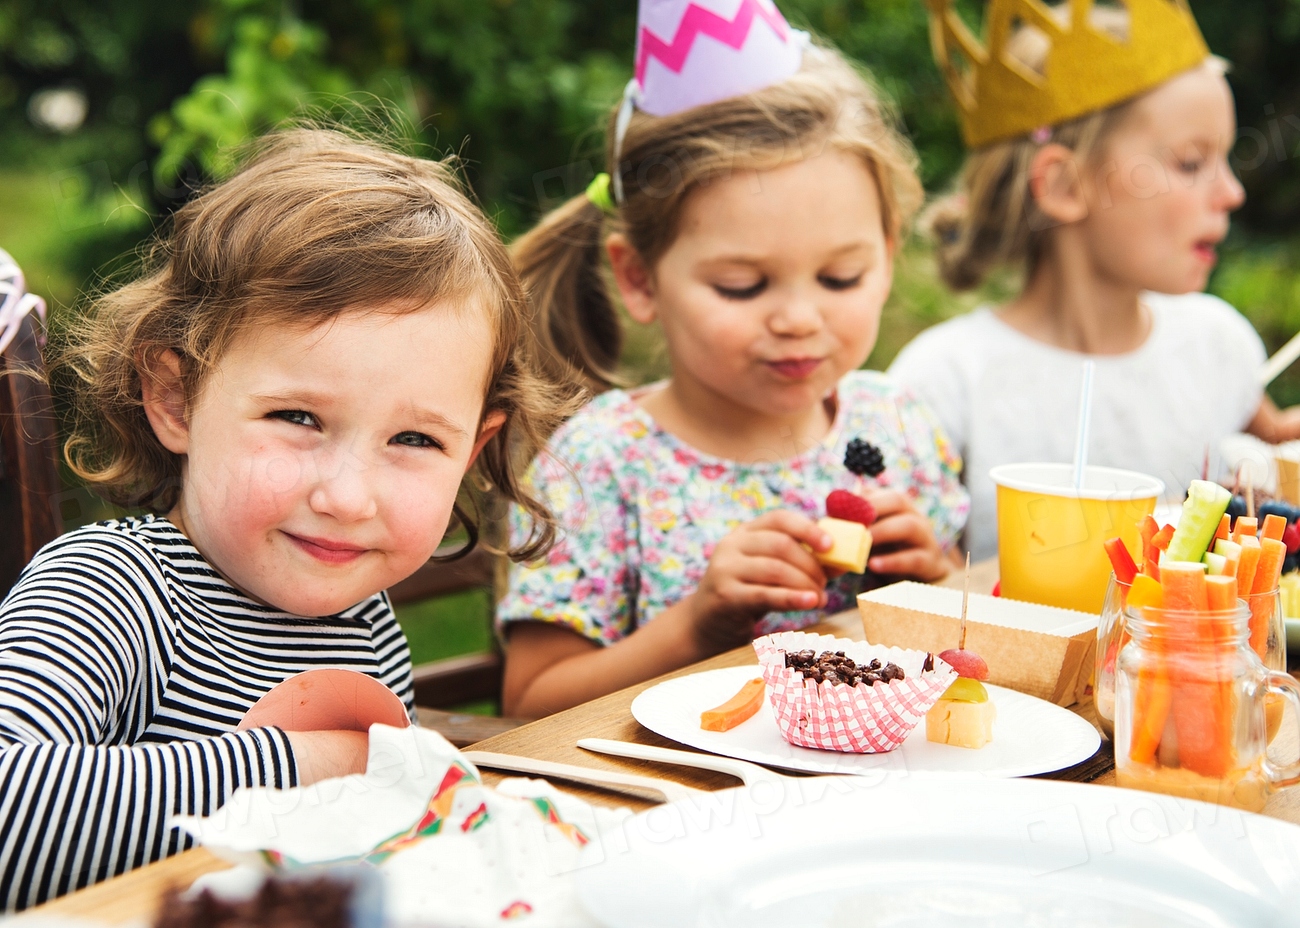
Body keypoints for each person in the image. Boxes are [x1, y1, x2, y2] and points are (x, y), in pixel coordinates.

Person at [0, 128, 568, 910]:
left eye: (414, 439)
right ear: (176, 397)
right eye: (298, 417)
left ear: (474, 450)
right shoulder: (109, 592)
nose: (347, 495)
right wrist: (303, 768)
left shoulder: (360, 621)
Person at [497, 0, 969, 718]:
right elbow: (529, 706)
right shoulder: (600, 464)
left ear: (890, 251)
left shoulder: (897, 424)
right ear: (639, 279)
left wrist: (936, 579)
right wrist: (698, 624)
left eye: (841, 278)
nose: (799, 320)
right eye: (742, 286)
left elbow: (963, 642)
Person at [891, 0, 1296, 560]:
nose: (1232, 192)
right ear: (1062, 185)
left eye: (1225, 160)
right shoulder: (945, 379)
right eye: (1190, 162)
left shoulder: (1216, 342)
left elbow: (1271, 450)